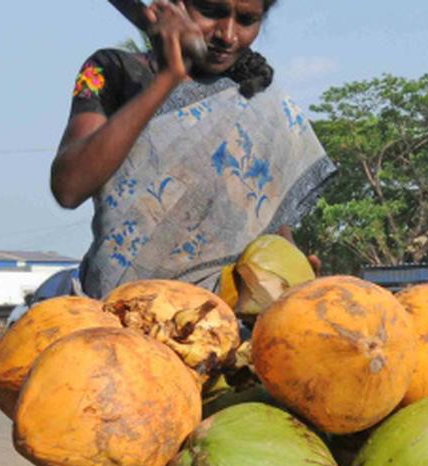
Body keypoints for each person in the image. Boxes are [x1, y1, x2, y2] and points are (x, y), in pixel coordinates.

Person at [50, 0, 335, 298]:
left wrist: (296, 279)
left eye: (247, 20)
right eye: (211, 11)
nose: (227, 35)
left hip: (218, 319)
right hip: (121, 312)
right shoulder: (114, 71)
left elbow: (268, 222)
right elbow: (69, 188)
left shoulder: (262, 102)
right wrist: (168, 79)